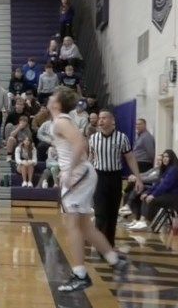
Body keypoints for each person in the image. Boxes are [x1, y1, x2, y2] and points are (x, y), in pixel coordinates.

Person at [49, 87, 128, 293]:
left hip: (78, 175)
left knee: (72, 225)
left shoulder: (61, 121)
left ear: (57, 103)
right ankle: (115, 260)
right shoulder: (63, 120)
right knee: (85, 226)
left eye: (52, 97)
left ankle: (79, 274)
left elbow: (80, 143)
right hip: (84, 174)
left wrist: (70, 170)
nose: (49, 99)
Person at [88, 110, 143, 248]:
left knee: (112, 214)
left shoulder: (121, 138)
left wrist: (138, 178)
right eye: (99, 118)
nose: (100, 120)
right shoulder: (93, 138)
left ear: (112, 121)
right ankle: (101, 245)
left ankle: (110, 245)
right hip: (99, 177)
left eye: (104, 118)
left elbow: (130, 158)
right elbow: (91, 158)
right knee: (100, 213)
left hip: (115, 177)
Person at [126, 150, 178, 231]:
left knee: (149, 199)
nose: (164, 159)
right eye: (164, 157)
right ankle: (139, 220)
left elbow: (165, 185)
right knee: (144, 195)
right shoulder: (167, 169)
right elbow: (158, 184)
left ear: (172, 158)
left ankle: (142, 221)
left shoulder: (174, 170)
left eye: (167, 157)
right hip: (168, 194)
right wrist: (149, 193)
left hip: (175, 197)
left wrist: (153, 195)